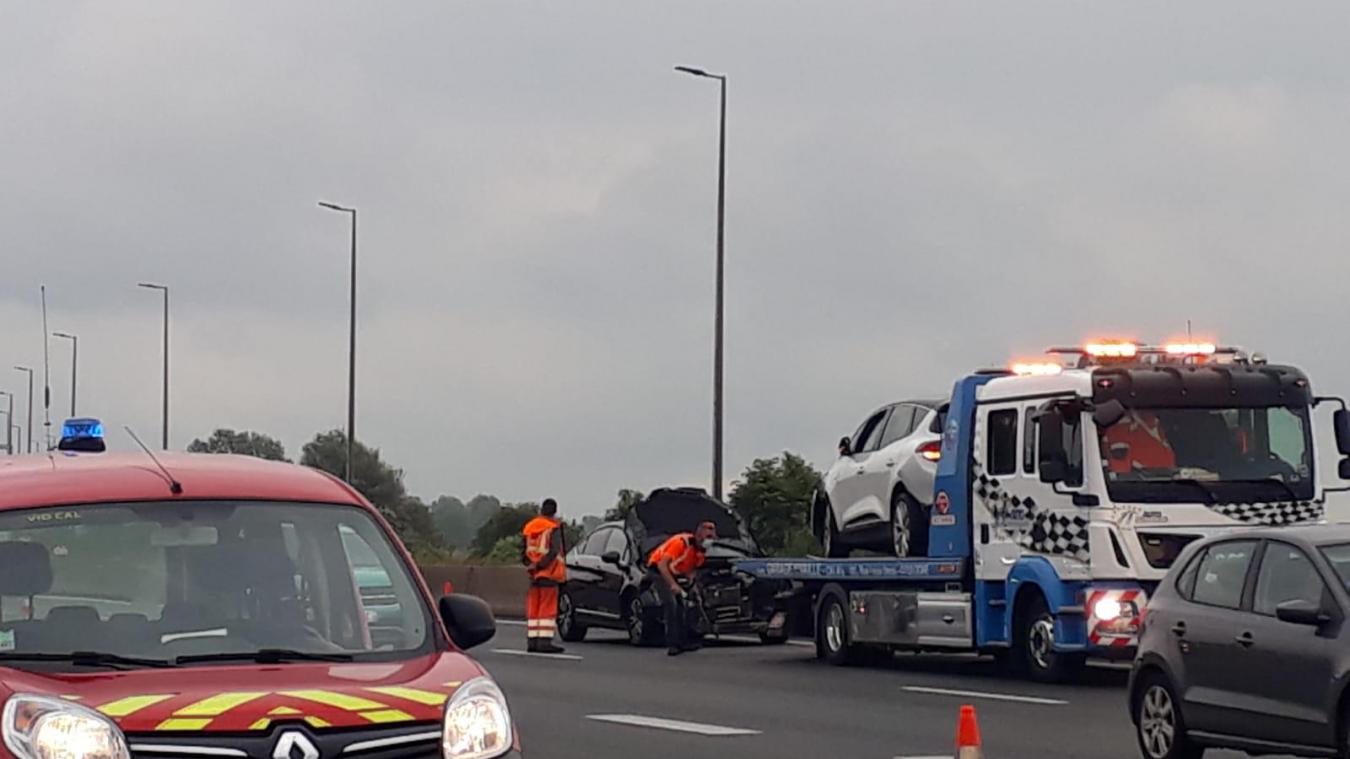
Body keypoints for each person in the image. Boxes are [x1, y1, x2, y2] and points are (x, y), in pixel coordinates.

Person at [646, 521, 717, 656]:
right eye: (707, 537)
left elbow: (691, 570)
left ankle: (687, 640)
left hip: (675, 572)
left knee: (686, 605)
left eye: (712, 537)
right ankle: (673, 644)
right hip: (658, 571)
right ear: (698, 535)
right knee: (671, 604)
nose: (709, 540)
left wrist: (692, 586)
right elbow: (662, 565)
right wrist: (673, 585)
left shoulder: (700, 552)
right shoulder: (681, 543)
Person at [521, 498, 567, 653]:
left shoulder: (529, 527)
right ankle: (544, 642)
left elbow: (524, 553)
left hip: (533, 575)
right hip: (549, 573)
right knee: (547, 610)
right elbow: (554, 551)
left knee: (534, 609)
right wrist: (541, 566)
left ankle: (532, 642)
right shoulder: (552, 528)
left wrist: (532, 566)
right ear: (554, 511)